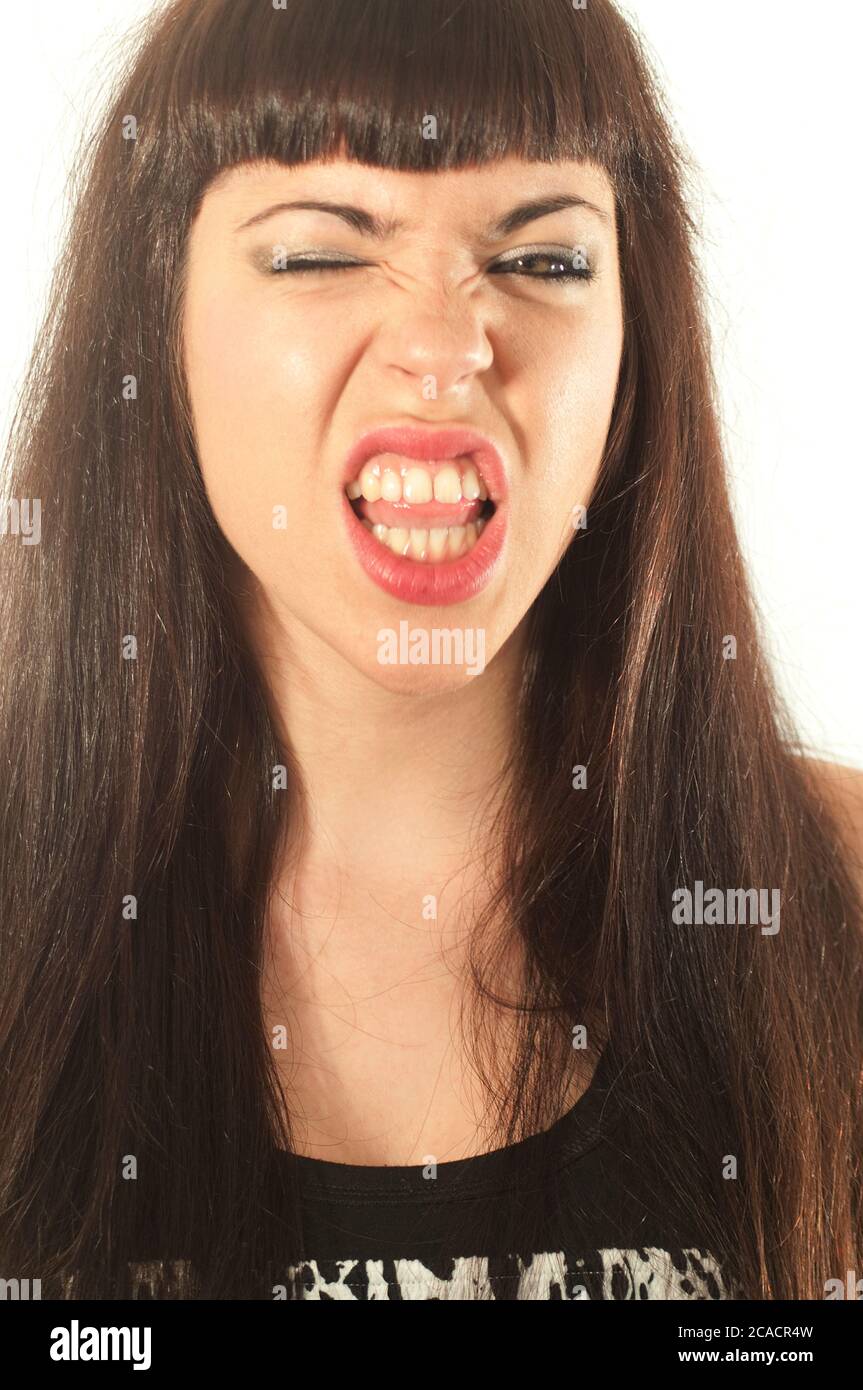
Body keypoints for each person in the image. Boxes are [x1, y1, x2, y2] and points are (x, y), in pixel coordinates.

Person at [1, 0, 861, 1301]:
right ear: (155, 331)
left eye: (545, 260)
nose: (448, 350)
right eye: (318, 255)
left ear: (636, 363)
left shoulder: (841, 897)